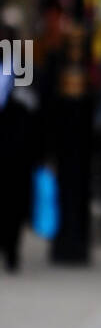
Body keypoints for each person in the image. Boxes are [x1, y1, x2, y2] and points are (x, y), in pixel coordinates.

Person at [0, 20, 38, 271]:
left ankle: (11, 250)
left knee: (14, 203)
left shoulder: (23, 71)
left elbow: (32, 112)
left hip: (16, 152)